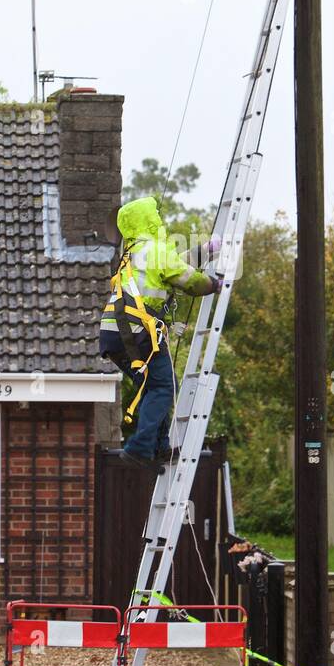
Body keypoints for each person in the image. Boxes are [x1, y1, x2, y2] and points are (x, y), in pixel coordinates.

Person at [100, 196, 220, 470]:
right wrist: (213, 284)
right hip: (137, 331)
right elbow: (186, 277)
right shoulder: (153, 249)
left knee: (156, 385)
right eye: (156, 216)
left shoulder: (132, 253)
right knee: (163, 386)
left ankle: (158, 447)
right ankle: (140, 448)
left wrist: (204, 251)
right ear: (149, 220)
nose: (160, 220)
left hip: (116, 333)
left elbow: (174, 265)